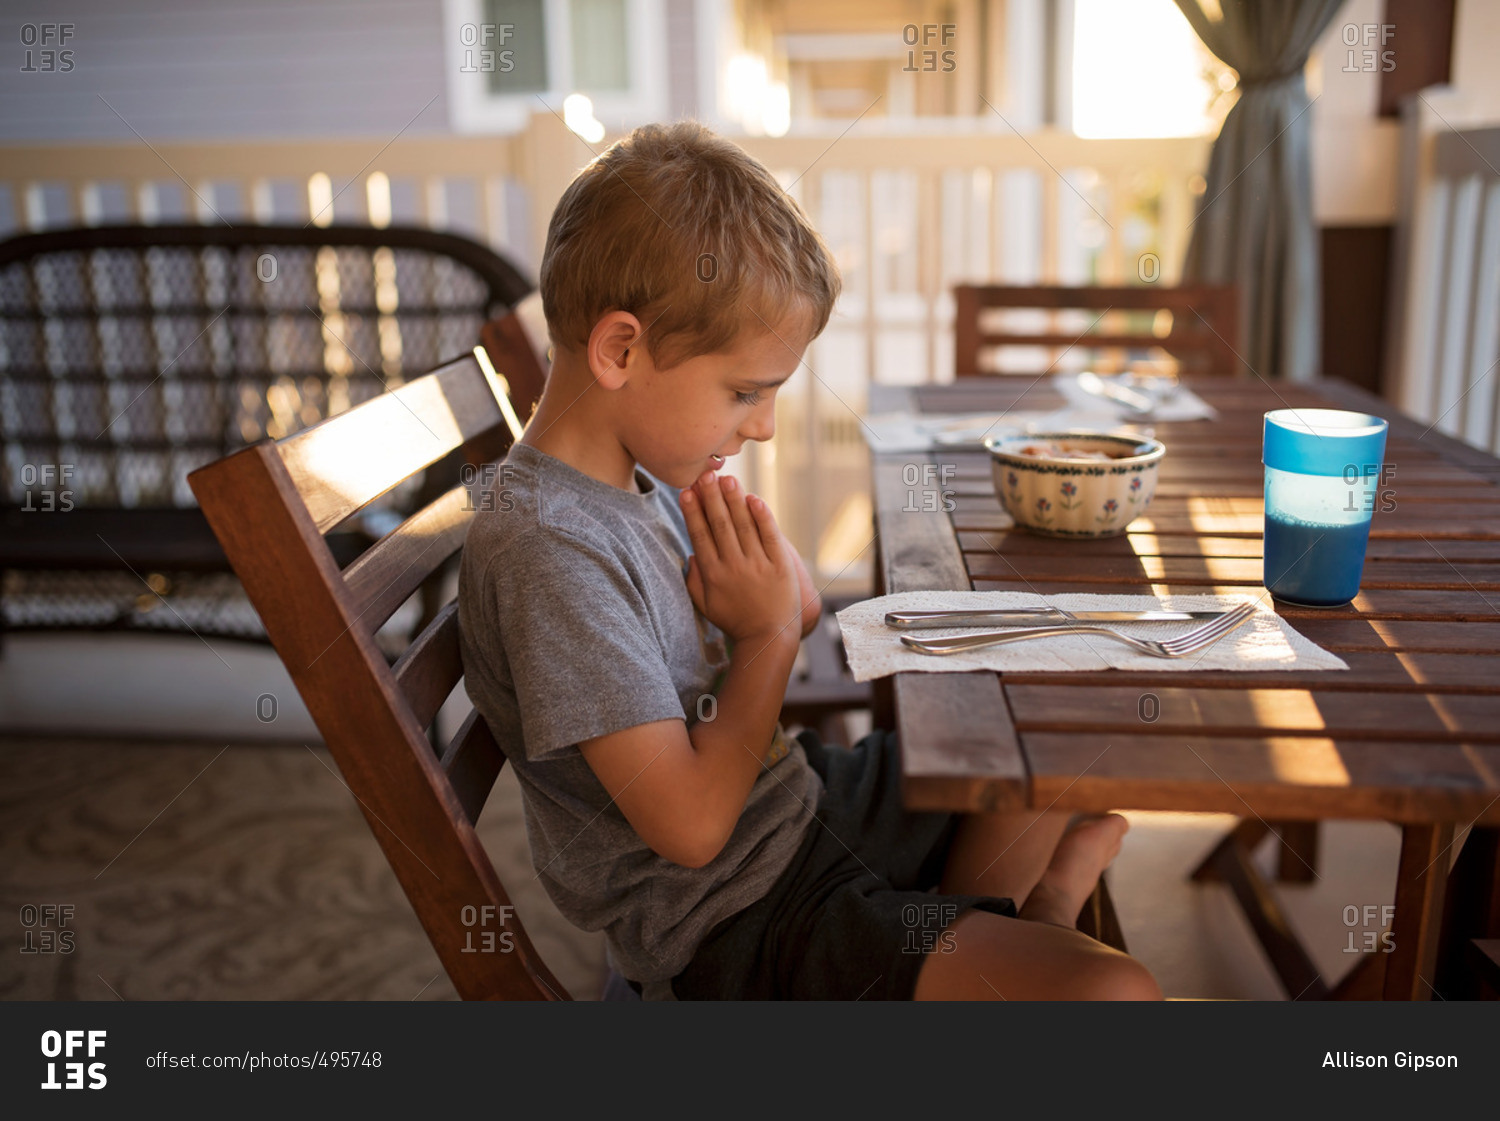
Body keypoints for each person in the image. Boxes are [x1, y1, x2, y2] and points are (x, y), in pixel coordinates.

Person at [458, 120, 1161, 1001]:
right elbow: (693, 829)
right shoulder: (548, 549)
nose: (763, 425)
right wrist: (765, 638)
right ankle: (1036, 914)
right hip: (734, 917)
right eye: (746, 392)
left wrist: (760, 598)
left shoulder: (636, 483)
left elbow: (769, 643)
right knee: (1113, 992)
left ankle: (975, 942)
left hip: (797, 810)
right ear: (621, 350)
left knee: (1041, 732)